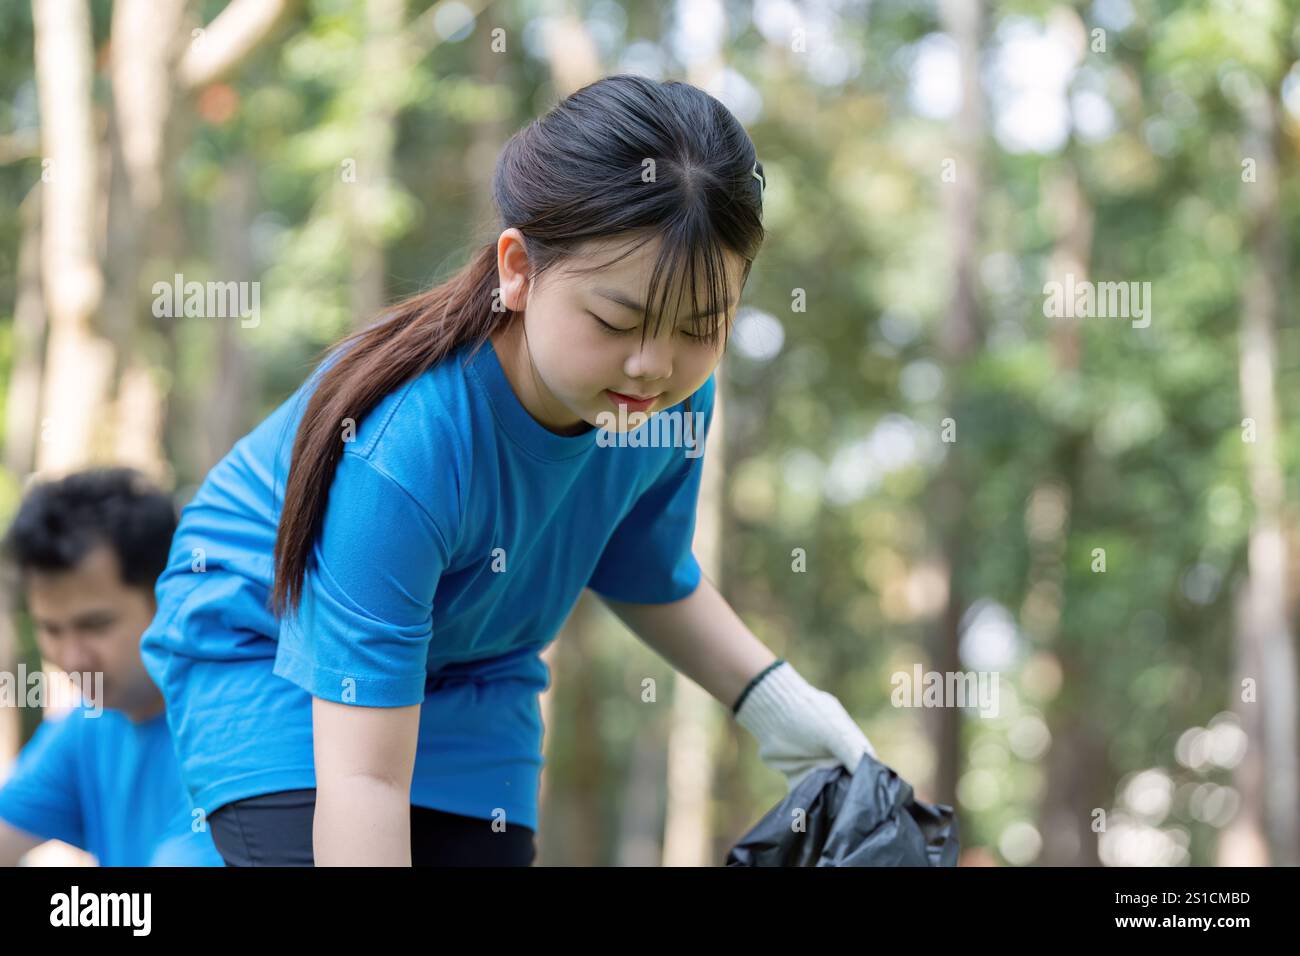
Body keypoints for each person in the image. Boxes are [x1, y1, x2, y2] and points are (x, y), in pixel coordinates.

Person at [140, 74, 876, 867]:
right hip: (271, 645)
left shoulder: (671, 404)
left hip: (475, 668)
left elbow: (644, 569)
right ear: (519, 269)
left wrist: (777, 704)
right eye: (616, 319)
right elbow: (362, 781)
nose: (653, 365)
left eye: (701, 327)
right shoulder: (407, 449)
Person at [0, 468, 223, 866]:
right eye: (51, 629)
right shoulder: (89, 724)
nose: (71, 659)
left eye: (95, 625)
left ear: (168, 598)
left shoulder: (230, 729)